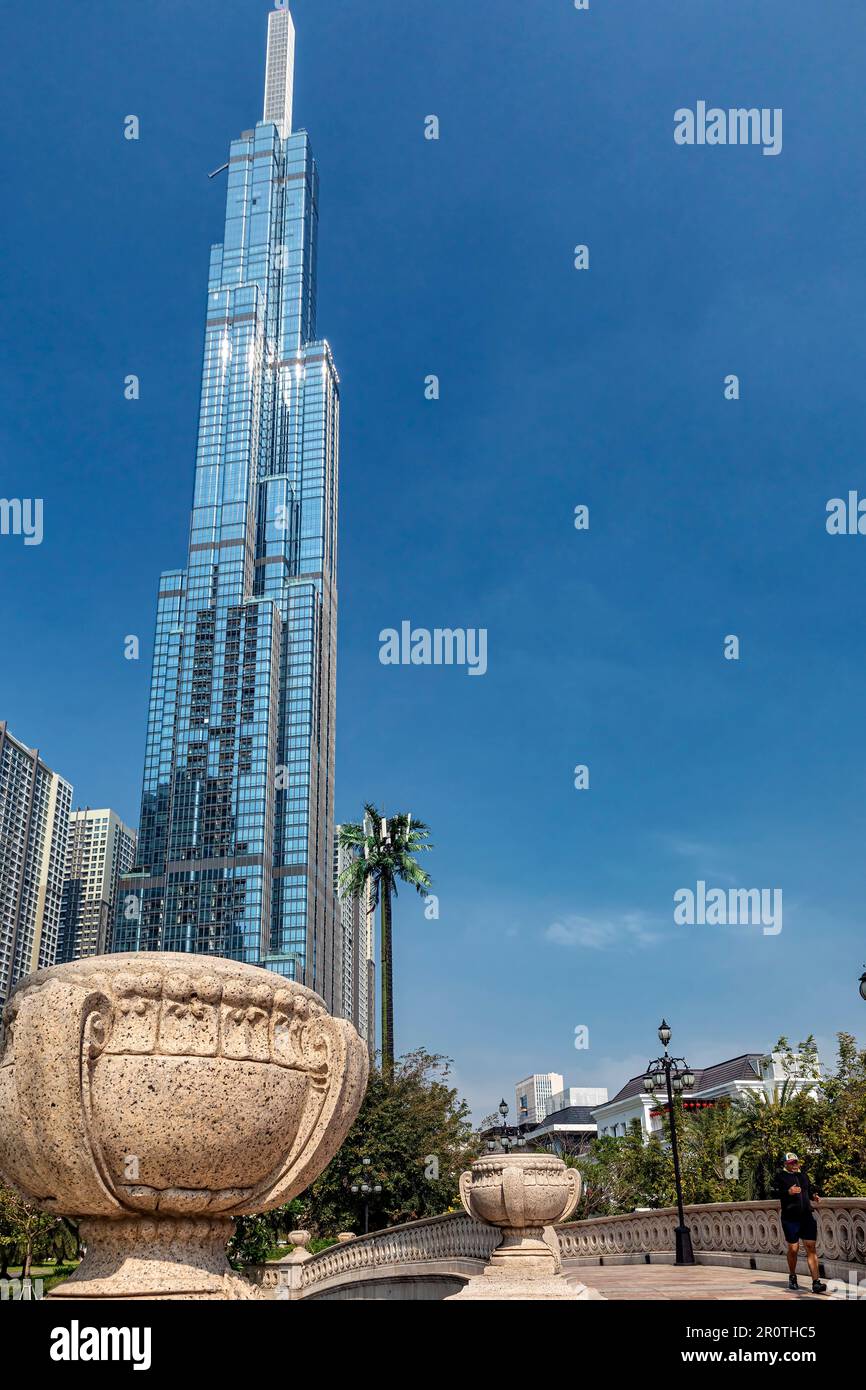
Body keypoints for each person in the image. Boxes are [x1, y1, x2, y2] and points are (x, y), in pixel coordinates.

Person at [775, 1152, 826, 1294]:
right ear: (786, 1164)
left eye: (796, 1161)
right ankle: (792, 1276)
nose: (794, 1164)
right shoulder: (780, 1177)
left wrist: (813, 1196)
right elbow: (775, 1193)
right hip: (790, 1218)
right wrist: (788, 1192)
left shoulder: (803, 1176)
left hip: (806, 1217)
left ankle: (816, 1282)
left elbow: (807, 1191)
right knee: (793, 1249)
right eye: (791, 1162)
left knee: (811, 1247)